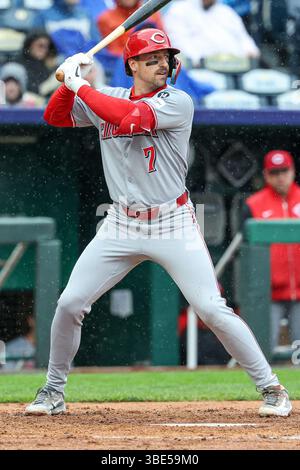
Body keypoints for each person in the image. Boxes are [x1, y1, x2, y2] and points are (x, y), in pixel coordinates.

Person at [25, 28, 291, 417]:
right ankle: (52, 390)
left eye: (165, 57)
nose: (161, 64)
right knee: (69, 303)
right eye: (151, 58)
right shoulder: (109, 96)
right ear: (131, 65)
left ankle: (272, 388)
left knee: (211, 308)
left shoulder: (177, 101)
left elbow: (129, 118)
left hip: (172, 221)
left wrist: (79, 85)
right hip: (120, 222)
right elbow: (55, 116)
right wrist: (67, 81)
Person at [243, 150, 300, 353]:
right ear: (266, 175)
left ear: (293, 171)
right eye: (274, 172)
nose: (280, 177)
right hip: (268, 294)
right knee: (263, 352)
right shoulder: (253, 204)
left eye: (284, 171)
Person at [164, 0, 260, 67]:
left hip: (237, 66)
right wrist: (197, 59)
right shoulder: (179, 9)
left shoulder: (226, 11)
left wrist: (250, 50)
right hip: (202, 68)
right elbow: (179, 40)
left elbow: (243, 38)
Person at [97, 0, 164, 57]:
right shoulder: (106, 18)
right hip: (124, 64)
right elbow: (114, 51)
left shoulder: (153, 13)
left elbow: (162, 43)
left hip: (154, 57)